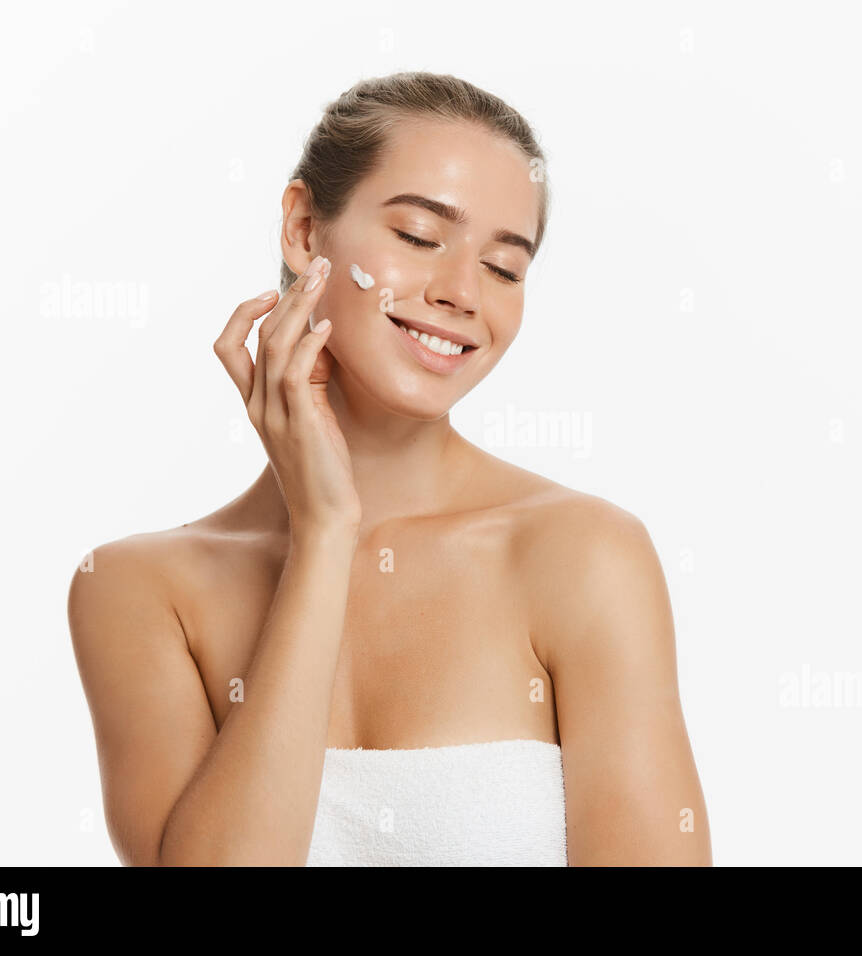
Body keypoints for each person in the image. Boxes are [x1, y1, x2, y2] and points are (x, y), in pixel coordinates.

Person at [68, 71, 711, 866]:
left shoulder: (582, 555)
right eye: (417, 236)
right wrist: (325, 535)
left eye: (505, 268)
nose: (461, 293)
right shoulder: (136, 591)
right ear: (304, 230)